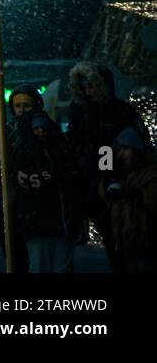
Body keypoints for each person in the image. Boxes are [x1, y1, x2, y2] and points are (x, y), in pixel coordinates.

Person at [67, 60, 148, 271]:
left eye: (91, 85)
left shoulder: (120, 111)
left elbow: (138, 143)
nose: (88, 91)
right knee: (110, 237)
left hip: (117, 182)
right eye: (84, 86)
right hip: (89, 181)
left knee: (123, 239)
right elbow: (76, 142)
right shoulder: (79, 111)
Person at [6, 110, 82, 273]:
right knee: (51, 265)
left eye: (42, 128)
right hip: (48, 218)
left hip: (46, 219)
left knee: (44, 265)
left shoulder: (25, 151)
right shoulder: (57, 149)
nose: (40, 132)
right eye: (36, 129)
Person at [0, 84, 42, 273]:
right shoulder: (7, 132)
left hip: (40, 204)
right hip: (13, 203)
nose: (22, 110)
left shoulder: (44, 129)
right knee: (16, 258)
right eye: (18, 106)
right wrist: (11, 176)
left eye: (26, 105)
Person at [100, 127, 157, 273]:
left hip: (146, 241)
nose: (121, 154)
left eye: (126, 149)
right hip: (126, 243)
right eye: (120, 150)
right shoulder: (124, 173)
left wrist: (132, 195)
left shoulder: (150, 172)